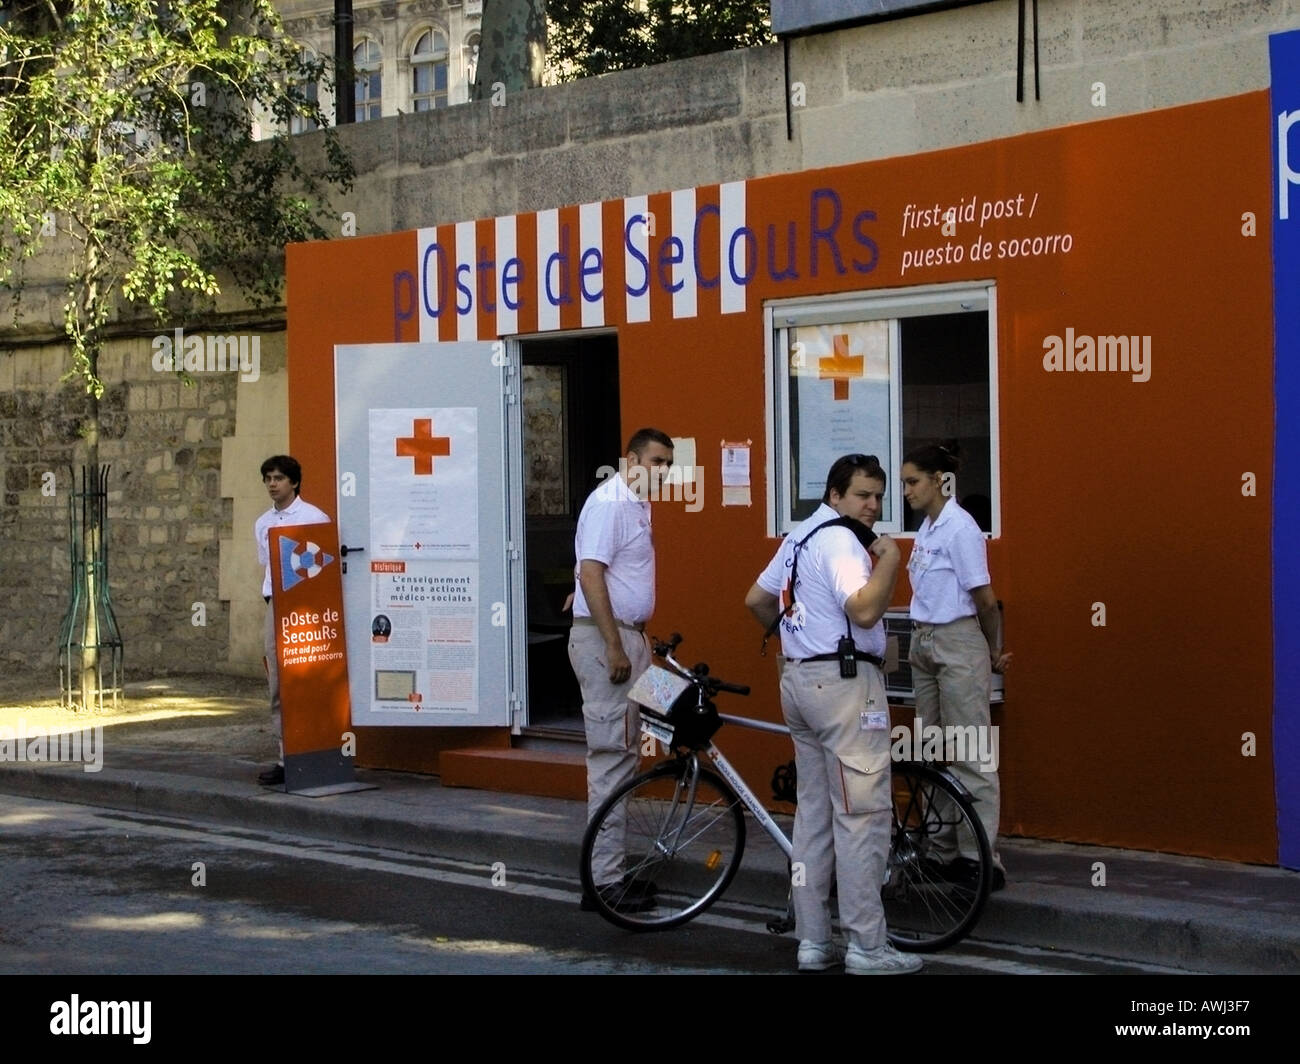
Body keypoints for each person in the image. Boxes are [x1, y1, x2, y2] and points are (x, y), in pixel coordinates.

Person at [745, 454, 922, 975]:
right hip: (845, 686)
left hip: (800, 682)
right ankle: (867, 947)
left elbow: (757, 600)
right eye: (864, 495)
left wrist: (798, 637)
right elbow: (864, 609)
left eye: (880, 496)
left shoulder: (800, 536)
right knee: (862, 818)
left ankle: (813, 941)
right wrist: (890, 559)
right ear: (835, 495)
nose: (874, 506)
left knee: (814, 817)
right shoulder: (844, 540)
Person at [569, 428, 674, 912]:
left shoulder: (635, 502)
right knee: (612, 755)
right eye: (655, 461)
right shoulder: (612, 501)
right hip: (613, 645)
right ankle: (604, 881)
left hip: (632, 639)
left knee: (641, 739)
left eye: (668, 464)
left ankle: (611, 870)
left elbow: (595, 575)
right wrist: (613, 645)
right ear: (630, 460)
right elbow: (591, 570)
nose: (662, 471)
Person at [901, 443, 1012, 890]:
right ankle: (942, 849)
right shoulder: (927, 529)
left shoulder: (960, 528)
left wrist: (992, 649)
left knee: (971, 751)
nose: (906, 491)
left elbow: (984, 599)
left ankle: (979, 856)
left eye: (913, 482)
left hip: (957, 638)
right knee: (931, 750)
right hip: (924, 640)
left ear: (936, 481)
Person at [254, 455, 329, 787]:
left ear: (294, 482)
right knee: (278, 685)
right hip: (276, 603)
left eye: (279, 478)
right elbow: (267, 567)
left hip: (308, 606)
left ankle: (319, 754)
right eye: (268, 478)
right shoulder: (262, 523)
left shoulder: (314, 517)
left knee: (311, 679)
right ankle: (285, 757)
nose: (273, 483)